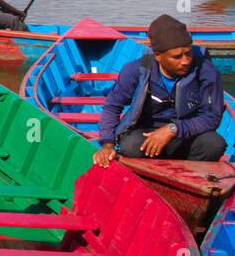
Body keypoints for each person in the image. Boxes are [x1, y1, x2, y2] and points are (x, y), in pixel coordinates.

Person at [93, 15, 226, 167]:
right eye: (177, 57)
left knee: (214, 144)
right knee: (130, 146)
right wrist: (107, 145)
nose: (185, 61)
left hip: (186, 133)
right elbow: (112, 106)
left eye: (188, 53)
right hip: (146, 134)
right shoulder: (135, 70)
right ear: (158, 56)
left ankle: (191, 174)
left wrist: (172, 129)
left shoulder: (206, 71)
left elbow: (212, 117)